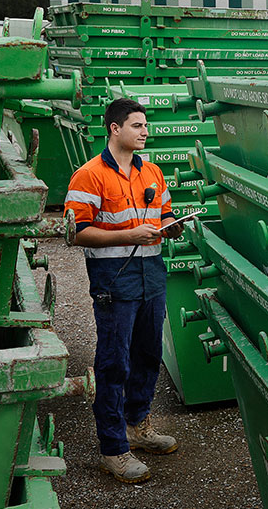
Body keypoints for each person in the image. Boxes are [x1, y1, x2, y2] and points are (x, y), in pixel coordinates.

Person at [64, 98, 185, 483]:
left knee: (149, 354)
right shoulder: (89, 176)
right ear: (114, 129)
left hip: (152, 272)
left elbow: (164, 212)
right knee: (114, 362)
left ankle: (138, 425)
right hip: (115, 278)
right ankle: (113, 449)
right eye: (136, 125)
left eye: (145, 125)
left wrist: (172, 225)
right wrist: (128, 234)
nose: (145, 131)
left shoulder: (152, 172)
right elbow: (77, 232)